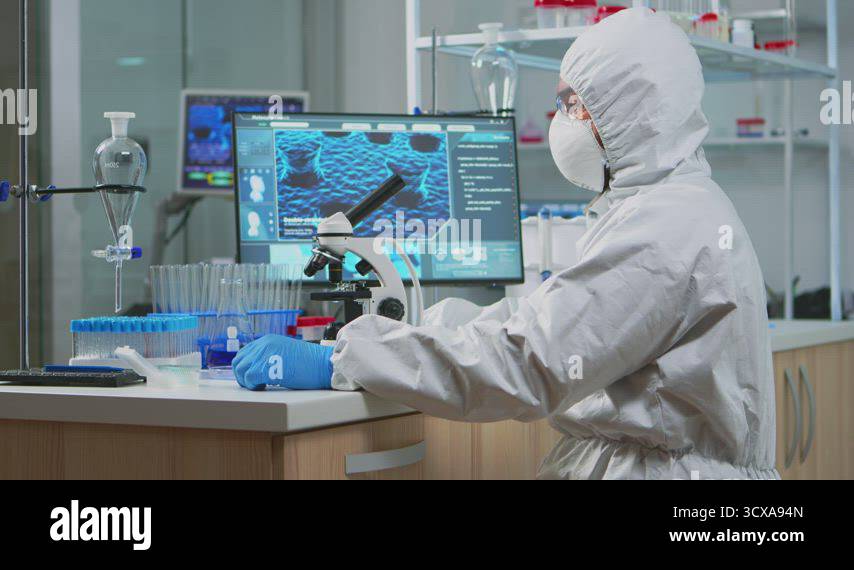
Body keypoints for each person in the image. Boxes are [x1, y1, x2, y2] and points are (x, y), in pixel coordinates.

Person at [234, 8, 779, 480]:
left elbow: (528, 361)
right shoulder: (671, 206)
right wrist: (417, 331)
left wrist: (346, 357)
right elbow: (538, 322)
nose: (559, 120)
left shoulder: (665, 226)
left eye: (572, 104)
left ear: (629, 111)